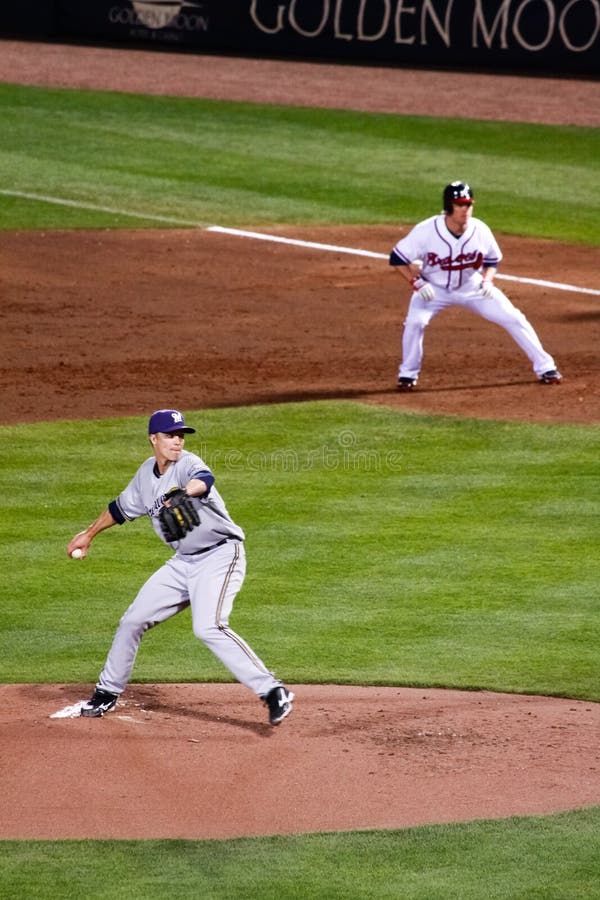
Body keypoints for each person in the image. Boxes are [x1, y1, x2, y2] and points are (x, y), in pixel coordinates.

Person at [67, 408, 294, 726]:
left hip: (219, 556)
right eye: (171, 436)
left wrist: (184, 492)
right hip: (183, 562)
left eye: (180, 436)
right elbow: (120, 509)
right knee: (133, 620)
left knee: (208, 627)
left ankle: (273, 691)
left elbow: (205, 480)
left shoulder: (187, 464)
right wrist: (88, 535)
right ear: (153, 439)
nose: (177, 442)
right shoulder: (146, 475)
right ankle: (106, 692)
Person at [389, 181, 562, 391]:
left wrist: (488, 280)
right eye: (460, 204)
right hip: (434, 289)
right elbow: (397, 258)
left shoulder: (480, 229)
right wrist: (416, 282)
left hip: (472, 286)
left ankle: (546, 367)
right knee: (415, 323)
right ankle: (407, 374)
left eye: (468, 204)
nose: (465, 209)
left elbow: (492, 260)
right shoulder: (426, 231)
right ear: (448, 206)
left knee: (514, 317)